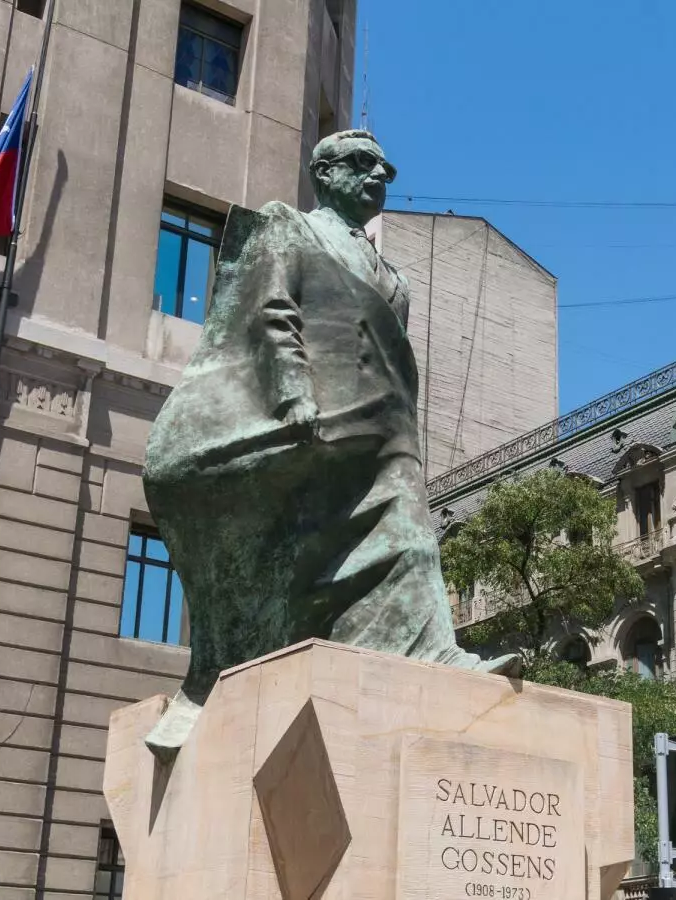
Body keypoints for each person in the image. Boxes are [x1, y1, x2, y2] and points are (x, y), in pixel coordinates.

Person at [141, 130, 517, 756]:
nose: (380, 177)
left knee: (411, 533)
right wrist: (292, 392)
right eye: (363, 165)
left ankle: (433, 651)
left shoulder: (392, 276)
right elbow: (270, 310)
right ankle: (228, 664)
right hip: (313, 417)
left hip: (382, 427)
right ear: (324, 173)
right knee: (298, 549)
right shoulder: (290, 229)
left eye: (385, 169)